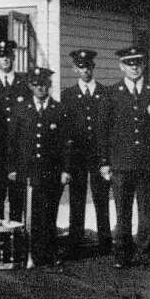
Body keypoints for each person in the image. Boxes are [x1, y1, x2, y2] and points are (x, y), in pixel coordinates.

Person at [101, 46, 150, 271]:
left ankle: (147, 255)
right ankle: (122, 254)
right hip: (121, 164)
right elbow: (103, 131)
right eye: (129, 63)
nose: (134, 67)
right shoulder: (111, 93)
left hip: (148, 164)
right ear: (121, 66)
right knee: (122, 211)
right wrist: (104, 162)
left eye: (138, 63)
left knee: (146, 212)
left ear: (144, 65)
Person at [7, 67, 71, 266]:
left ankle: (48, 252)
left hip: (51, 171)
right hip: (27, 171)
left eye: (44, 84)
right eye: (36, 84)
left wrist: (66, 170)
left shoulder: (59, 110)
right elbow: (12, 141)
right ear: (30, 86)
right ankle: (27, 251)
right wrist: (12, 168)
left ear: (49, 85)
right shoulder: (20, 109)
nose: (40, 88)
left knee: (49, 212)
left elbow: (66, 143)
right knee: (30, 212)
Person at [60, 49, 112, 257]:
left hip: (99, 155)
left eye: (88, 66)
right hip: (77, 155)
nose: (85, 71)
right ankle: (75, 240)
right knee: (77, 198)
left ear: (93, 67)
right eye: (81, 67)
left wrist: (106, 157)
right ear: (75, 68)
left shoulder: (104, 93)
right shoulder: (68, 95)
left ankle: (105, 241)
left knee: (101, 198)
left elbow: (108, 126)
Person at [0, 39, 31, 218]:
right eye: (2, 56)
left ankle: (17, 234)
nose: (6, 59)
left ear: (14, 57)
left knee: (18, 194)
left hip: (19, 149)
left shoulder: (25, 84)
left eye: (9, 55)